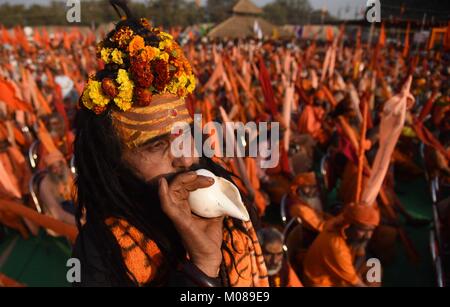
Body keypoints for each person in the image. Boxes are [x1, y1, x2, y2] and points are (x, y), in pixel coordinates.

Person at [72, 3, 268, 287]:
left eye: (186, 135)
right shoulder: (100, 250)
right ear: (114, 165)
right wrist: (202, 268)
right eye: (155, 146)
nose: (187, 158)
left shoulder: (230, 212)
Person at [302, 203, 380, 287]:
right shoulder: (337, 247)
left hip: (340, 273)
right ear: (348, 226)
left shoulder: (340, 225)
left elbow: (360, 255)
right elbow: (356, 284)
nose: (368, 235)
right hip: (323, 284)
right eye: (363, 230)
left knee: (374, 265)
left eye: (371, 230)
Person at [39, 150, 75, 225]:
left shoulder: (68, 173)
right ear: (49, 170)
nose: (58, 170)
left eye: (60, 166)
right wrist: (79, 222)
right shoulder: (45, 185)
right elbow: (57, 213)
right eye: (54, 168)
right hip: (60, 219)